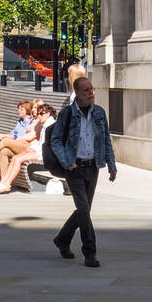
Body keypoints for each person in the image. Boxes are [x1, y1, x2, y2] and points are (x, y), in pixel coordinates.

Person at [50, 73, 116, 268]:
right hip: (74, 167)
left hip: (92, 167)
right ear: (76, 93)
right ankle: (89, 252)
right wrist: (67, 162)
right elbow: (55, 140)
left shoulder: (99, 113)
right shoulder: (67, 114)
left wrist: (111, 165)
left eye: (91, 89)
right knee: (84, 210)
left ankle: (62, 239)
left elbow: (105, 140)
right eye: (86, 90)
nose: (90, 93)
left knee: (83, 210)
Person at [0, 104, 57, 193]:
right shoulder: (45, 125)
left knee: (19, 159)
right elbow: (41, 142)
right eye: (38, 114)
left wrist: (34, 149)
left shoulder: (51, 125)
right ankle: (3, 182)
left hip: (45, 154)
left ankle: (7, 184)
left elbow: (49, 144)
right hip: (39, 150)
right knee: (15, 157)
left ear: (48, 114)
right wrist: (32, 147)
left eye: (41, 114)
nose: (39, 116)